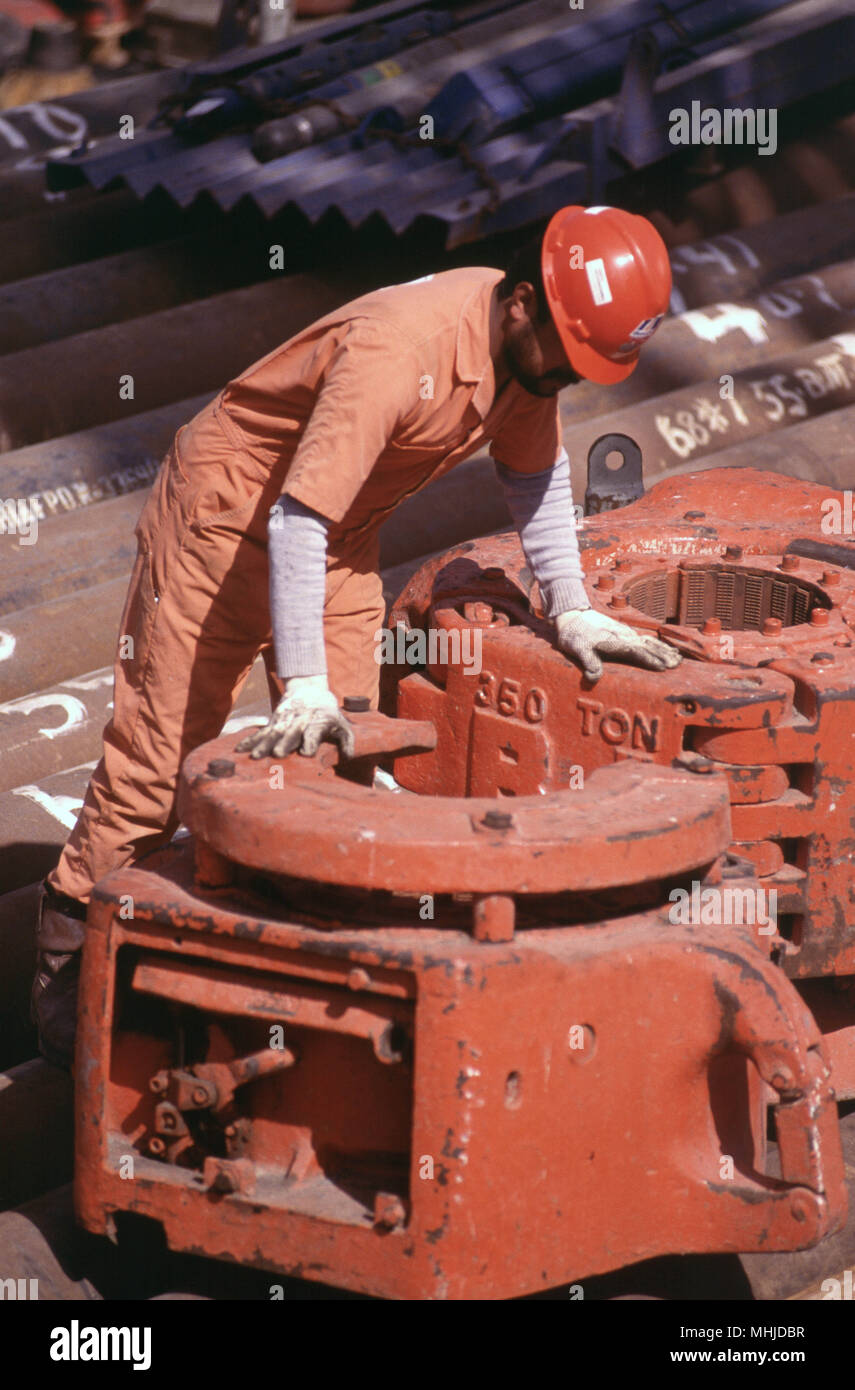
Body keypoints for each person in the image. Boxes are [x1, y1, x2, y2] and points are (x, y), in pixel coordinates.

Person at [32, 203, 680, 1068]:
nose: (574, 376)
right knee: (158, 764)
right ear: (523, 302)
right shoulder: (399, 351)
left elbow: (535, 474)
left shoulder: (527, 356)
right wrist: (296, 681)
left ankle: (281, 987)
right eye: (571, 355)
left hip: (335, 536)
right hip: (228, 522)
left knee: (341, 756)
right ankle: (69, 978)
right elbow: (297, 517)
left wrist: (569, 606)